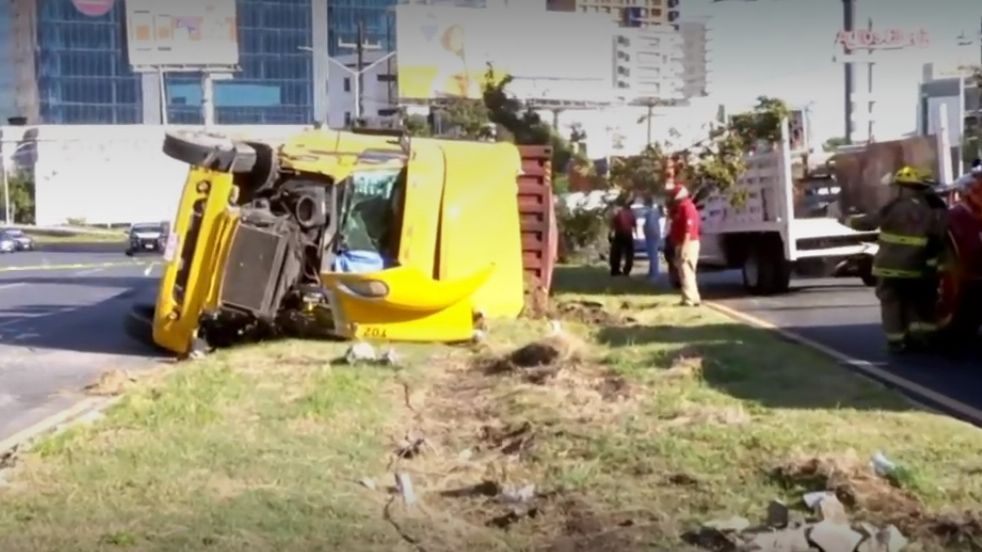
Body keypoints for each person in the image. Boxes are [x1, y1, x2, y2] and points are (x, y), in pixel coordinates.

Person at [847, 166, 949, 353]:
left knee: (892, 303)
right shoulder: (937, 208)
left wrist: (846, 220)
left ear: (905, 187)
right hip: (921, 267)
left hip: (890, 267)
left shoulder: (894, 206)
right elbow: (940, 237)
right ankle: (923, 337)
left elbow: (868, 223)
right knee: (921, 302)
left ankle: (897, 341)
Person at [668, 185, 701, 306]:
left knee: (685, 271)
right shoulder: (683, 207)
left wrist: (684, 247)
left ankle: (688, 299)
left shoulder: (686, 207)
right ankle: (694, 297)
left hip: (688, 243)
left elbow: (688, 229)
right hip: (685, 242)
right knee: (689, 272)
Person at [609, 198, 637, 276]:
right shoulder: (631, 214)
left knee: (616, 252)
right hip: (628, 234)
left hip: (619, 233)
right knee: (629, 254)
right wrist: (636, 234)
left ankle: (615, 270)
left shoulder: (619, 213)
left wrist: (610, 233)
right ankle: (627, 270)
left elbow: (613, 224)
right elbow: (634, 226)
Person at [642, 195, 662, 282]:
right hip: (654, 235)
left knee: (653, 255)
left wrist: (647, 232)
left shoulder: (650, 212)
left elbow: (650, 225)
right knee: (652, 254)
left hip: (651, 235)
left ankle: (655, 274)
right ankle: (651, 272)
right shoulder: (654, 211)